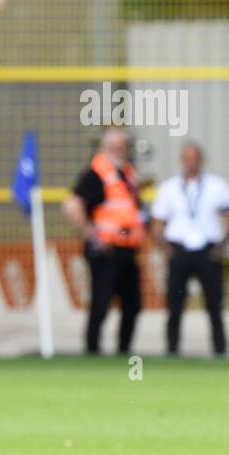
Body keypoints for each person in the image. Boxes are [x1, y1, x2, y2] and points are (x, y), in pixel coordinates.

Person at [63, 127, 146, 355]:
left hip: (128, 250)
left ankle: (124, 350)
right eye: (117, 147)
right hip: (105, 251)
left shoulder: (127, 173)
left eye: (123, 146)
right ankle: (92, 351)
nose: (122, 151)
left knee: (133, 304)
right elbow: (71, 206)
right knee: (101, 303)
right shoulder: (97, 173)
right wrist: (93, 235)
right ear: (105, 147)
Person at [151, 142, 229, 357]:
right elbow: (158, 223)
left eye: (194, 158)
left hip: (208, 252)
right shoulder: (169, 188)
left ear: (201, 160)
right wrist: (164, 249)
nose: (190, 163)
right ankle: (172, 349)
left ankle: (220, 350)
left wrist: (221, 247)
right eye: (186, 158)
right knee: (175, 304)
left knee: (214, 305)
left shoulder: (217, 186)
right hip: (179, 251)